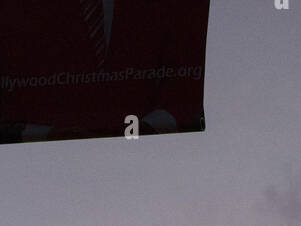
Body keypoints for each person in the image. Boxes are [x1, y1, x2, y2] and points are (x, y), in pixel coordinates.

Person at [0, 0, 210, 144]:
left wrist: (144, 126)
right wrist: (45, 131)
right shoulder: (22, 12)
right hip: (48, 163)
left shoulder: (161, 9)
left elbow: (181, 88)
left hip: (148, 152)